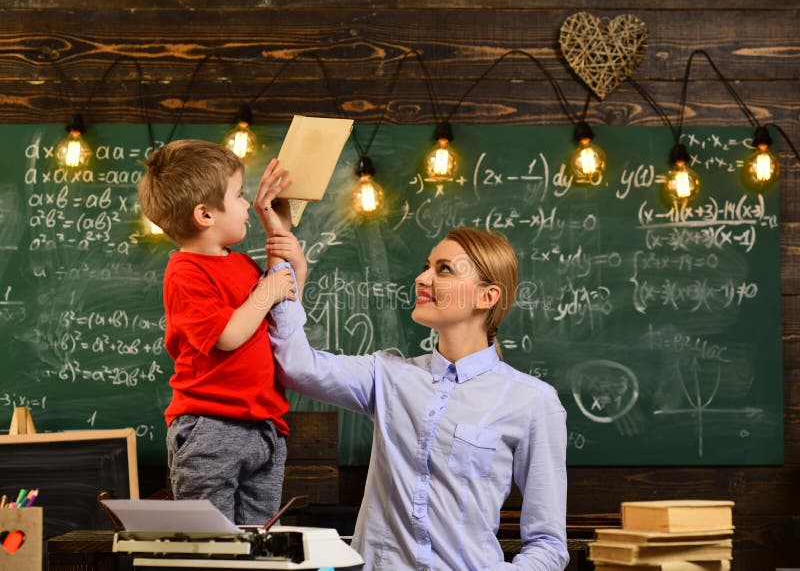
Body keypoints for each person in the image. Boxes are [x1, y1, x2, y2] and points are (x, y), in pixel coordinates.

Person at [255, 163, 569, 570]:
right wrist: (287, 262)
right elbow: (297, 366)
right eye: (426, 265)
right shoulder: (388, 376)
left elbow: (548, 544)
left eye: (444, 270)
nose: (423, 278)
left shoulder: (532, 402)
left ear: (487, 296)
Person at [138, 141, 300, 525]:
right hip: (212, 428)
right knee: (212, 547)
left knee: (261, 544)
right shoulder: (185, 272)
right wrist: (268, 289)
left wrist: (279, 230)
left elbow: (279, 302)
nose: (247, 204)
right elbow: (227, 335)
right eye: (240, 196)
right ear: (205, 214)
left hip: (264, 427)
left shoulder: (242, 265)